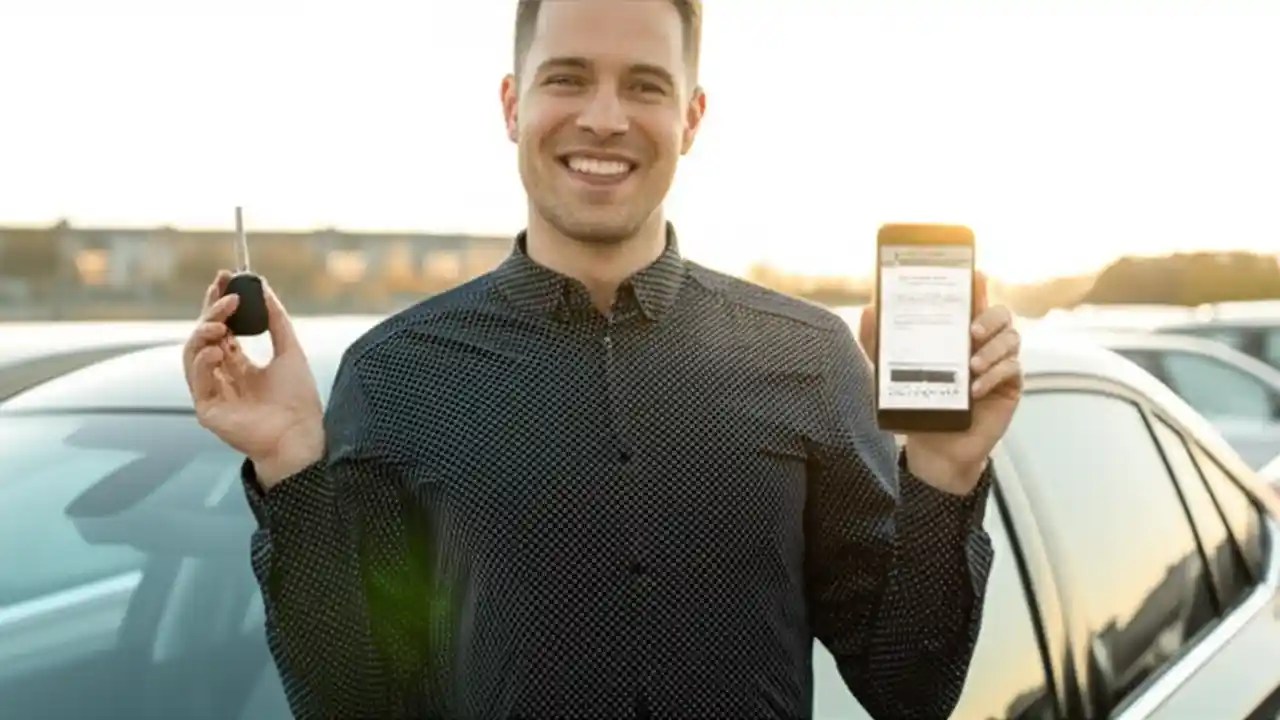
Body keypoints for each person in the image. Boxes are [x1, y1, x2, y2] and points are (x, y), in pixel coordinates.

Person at [183, 1, 1024, 718]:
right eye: (568, 77)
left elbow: (907, 690)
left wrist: (945, 471)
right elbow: (352, 702)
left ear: (691, 118)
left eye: (645, 86)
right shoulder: (395, 377)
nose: (605, 117)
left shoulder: (807, 356)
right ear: (513, 104)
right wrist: (291, 462)